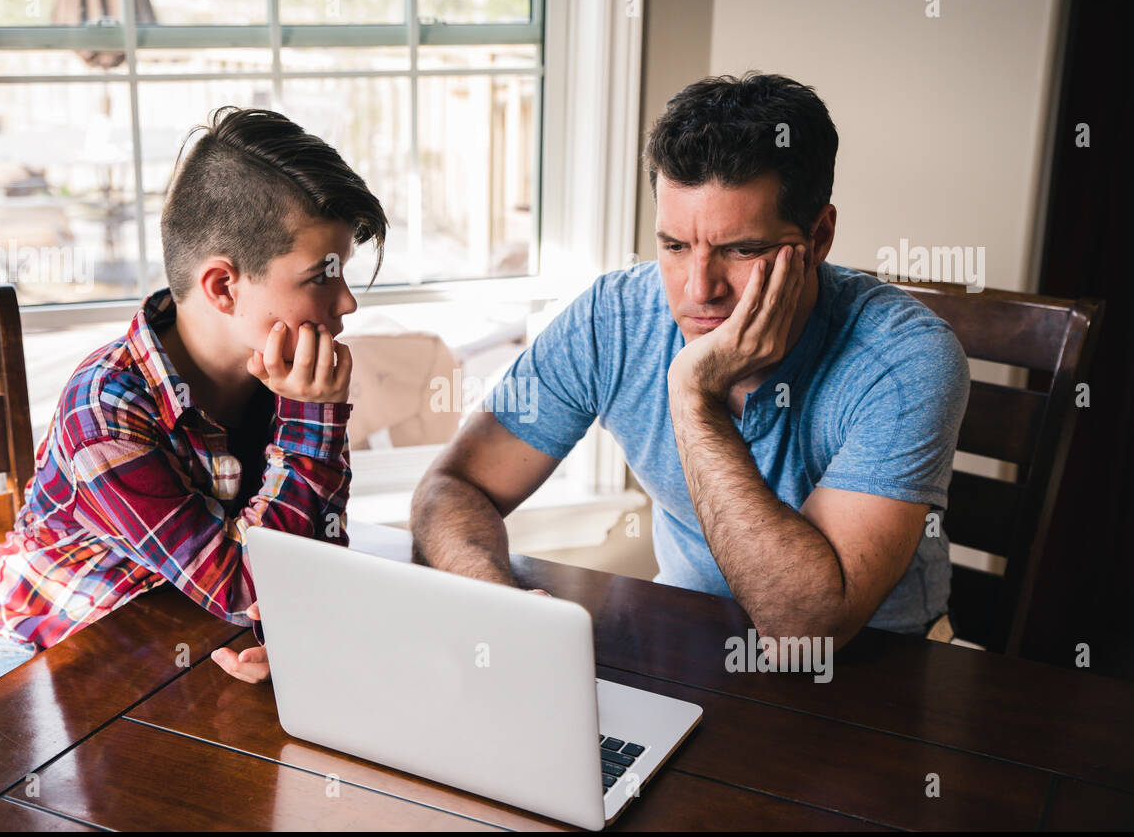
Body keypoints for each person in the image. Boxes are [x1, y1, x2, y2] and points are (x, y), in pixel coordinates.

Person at [411, 73, 970, 654]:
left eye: (741, 249)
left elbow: (806, 630)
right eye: (675, 247)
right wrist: (496, 602)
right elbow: (453, 487)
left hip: (879, 670)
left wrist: (693, 395)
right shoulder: (615, 318)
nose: (698, 290)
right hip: (689, 639)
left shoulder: (905, 359)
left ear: (819, 236)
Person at [0, 106, 385, 695]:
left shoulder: (278, 376)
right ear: (223, 287)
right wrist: (313, 421)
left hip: (169, 626)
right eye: (322, 277)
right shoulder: (107, 411)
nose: (347, 303)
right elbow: (247, 589)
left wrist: (284, 633)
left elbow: (311, 556)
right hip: (38, 654)